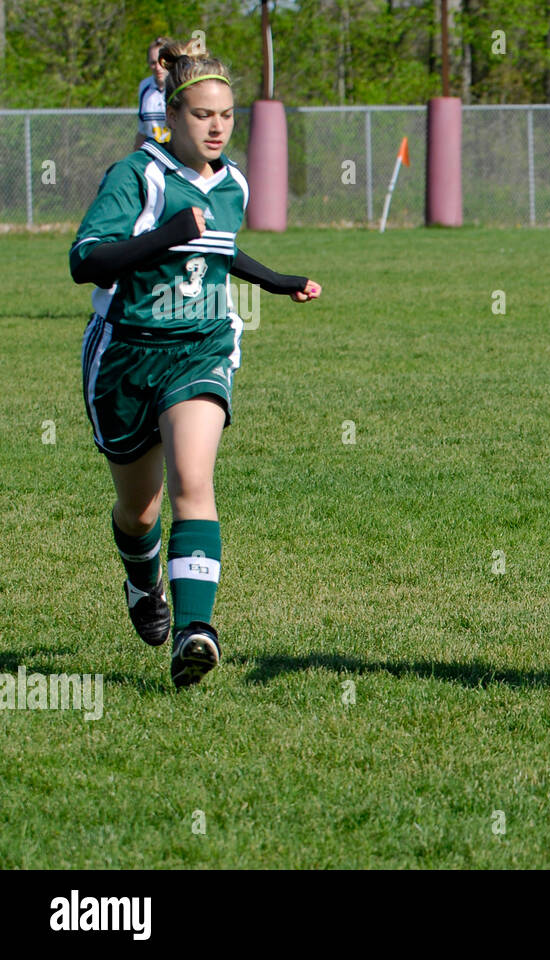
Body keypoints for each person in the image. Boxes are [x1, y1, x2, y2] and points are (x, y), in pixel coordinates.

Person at [71, 38, 322, 688]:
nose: (216, 127)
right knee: (142, 511)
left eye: (227, 115)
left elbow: (217, 250)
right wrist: (161, 237)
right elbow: (86, 262)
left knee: (194, 485)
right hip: (126, 353)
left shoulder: (232, 183)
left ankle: (196, 632)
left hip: (201, 345)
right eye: (203, 114)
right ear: (172, 115)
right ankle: (140, 579)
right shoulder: (136, 176)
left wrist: (273, 280)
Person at [133, 37, 172, 150]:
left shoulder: (181, 87)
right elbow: (142, 131)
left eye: (162, 62)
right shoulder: (145, 87)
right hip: (152, 154)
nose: (158, 68)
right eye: (153, 63)